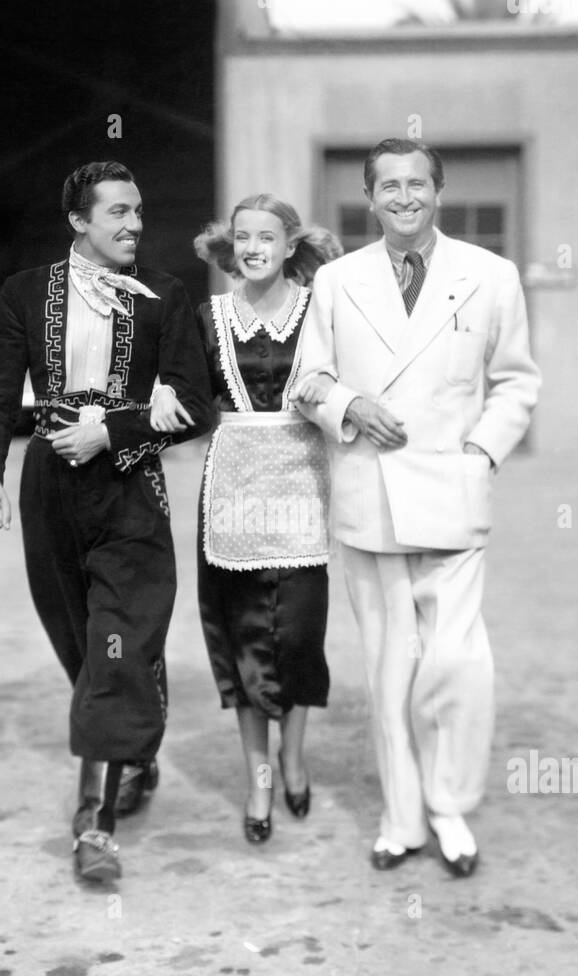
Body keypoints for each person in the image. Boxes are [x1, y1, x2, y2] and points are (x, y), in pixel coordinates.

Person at [293, 139, 540, 877]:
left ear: (439, 191)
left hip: (451, 494)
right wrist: (348, 403)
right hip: (371, 497)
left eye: (417, 184)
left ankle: (450, 806)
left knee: (459, 662)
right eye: (388, 186)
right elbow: (305, 381)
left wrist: (481, 453)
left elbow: (517, 383)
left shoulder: (490, 276)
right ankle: (402, 820)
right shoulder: (336, 282)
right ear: (369, 199)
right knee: (389, 667)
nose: (404, 198)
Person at [0, 161, 212, 883]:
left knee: (116, 648)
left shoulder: (165, 295)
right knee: (80, 644)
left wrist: (114, 431)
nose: (134, 224)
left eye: (139, 211)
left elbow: (196, 404)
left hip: (130, 487)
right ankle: (133, 749)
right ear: (78, 220)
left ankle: (93, 825)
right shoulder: (24, 293)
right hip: (50, 492)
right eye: (117, 213)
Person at [153, 195, 341, 844]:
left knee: (296, 636)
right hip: (232, 492)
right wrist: (165, 395)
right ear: (229, 248)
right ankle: (258, 773)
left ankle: (294, 753)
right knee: (243, 641)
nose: (253, 246)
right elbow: (189, 398)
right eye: (242, 237)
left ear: (291, 245)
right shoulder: (207, 318)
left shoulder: (322, 308)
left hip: (301, 487)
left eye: (266, 236)